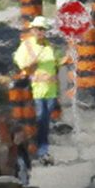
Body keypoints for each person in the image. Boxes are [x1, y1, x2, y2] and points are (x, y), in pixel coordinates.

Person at [14, 19, 67, 151]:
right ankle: (41, 148)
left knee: (45, 120)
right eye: (37, 29)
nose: (39, 32)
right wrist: (31, 63)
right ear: (32, 30)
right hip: (34, 90)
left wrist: (68, 58)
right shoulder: (27, 46)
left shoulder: (50, 47)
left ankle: (40, 147)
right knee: (40, 118)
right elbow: (20, 62)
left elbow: (57, 62)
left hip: (51, 91)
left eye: (42, 29)